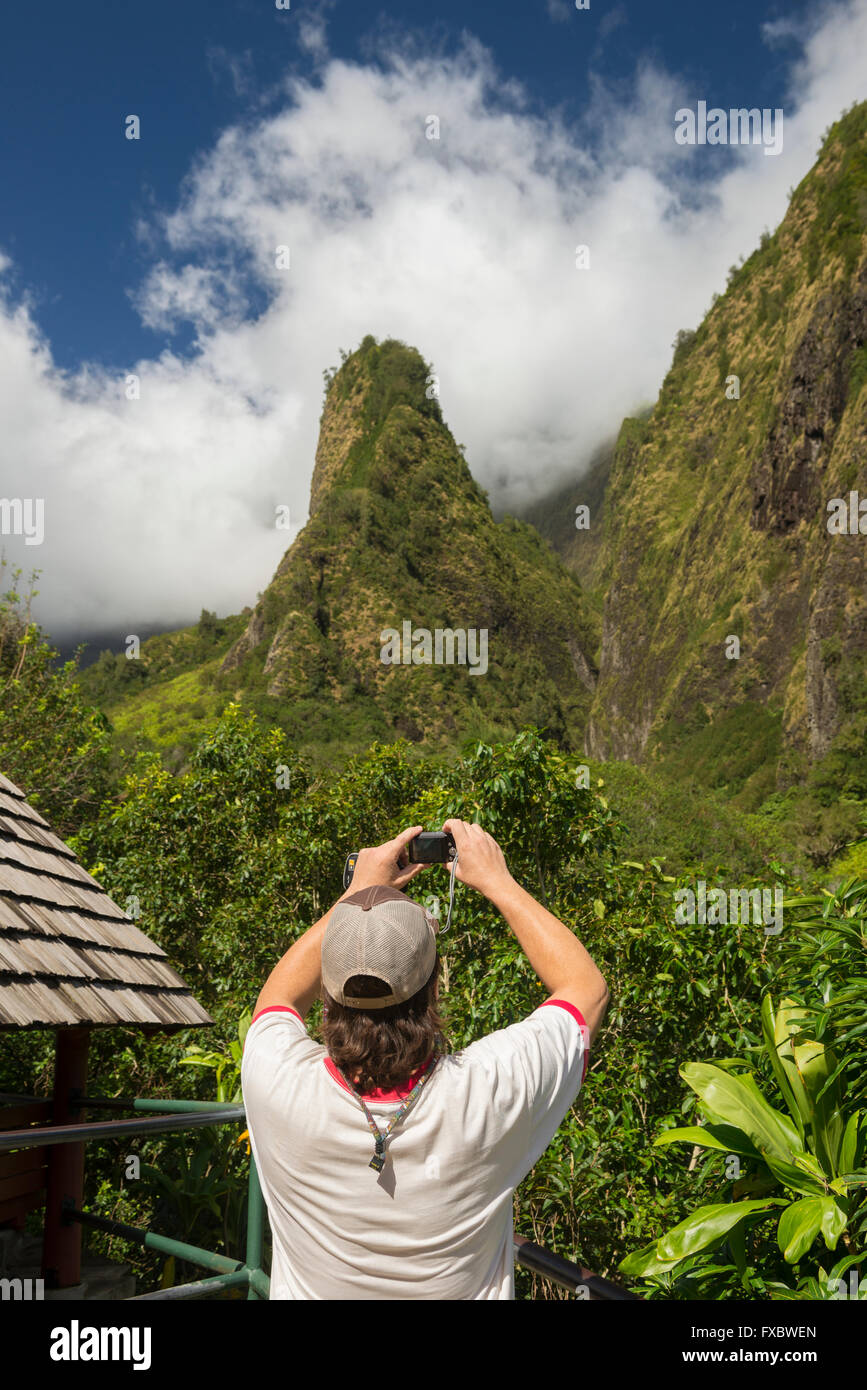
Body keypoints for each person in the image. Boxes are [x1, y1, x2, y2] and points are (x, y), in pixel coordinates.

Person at [240, 817, 609, 1300]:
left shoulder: (275, 1079)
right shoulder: (486, 1091)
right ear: (433, 988)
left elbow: (277, 1000)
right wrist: (498, 882)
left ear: (328, 995)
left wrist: (358, 897)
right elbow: (586, 990)